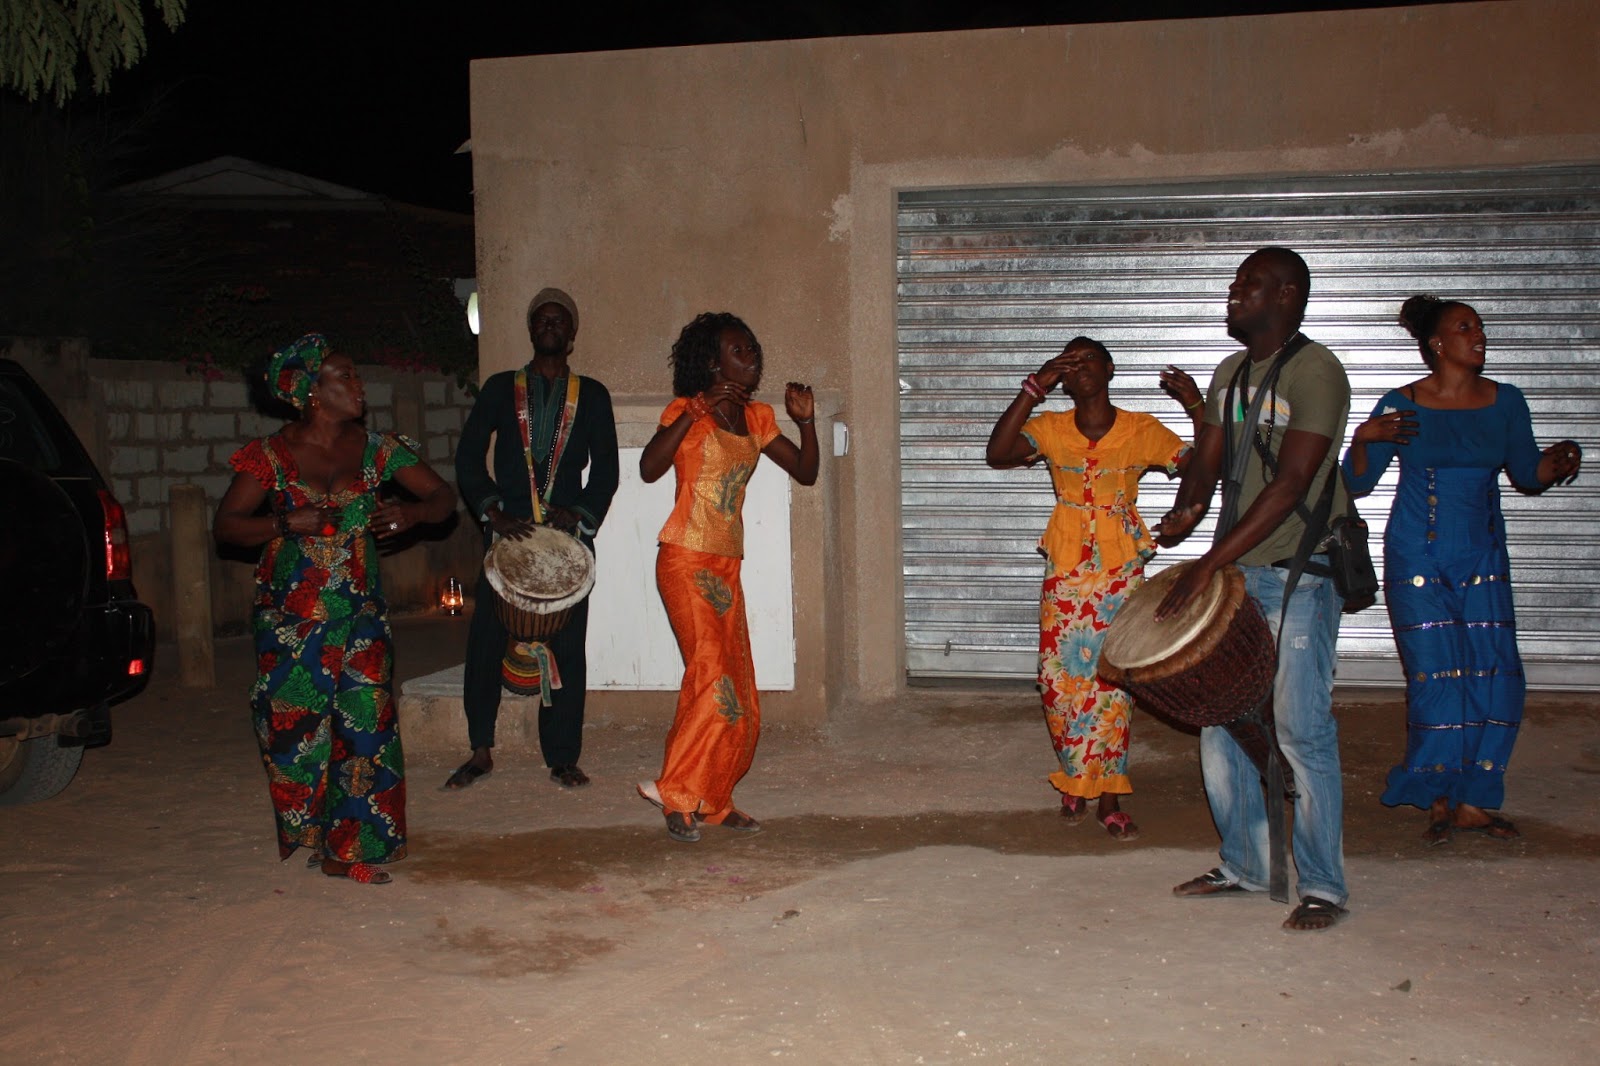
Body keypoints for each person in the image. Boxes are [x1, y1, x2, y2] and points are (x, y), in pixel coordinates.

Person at [1153, 247, 1352, 932]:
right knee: (1222, 720)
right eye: (1236, 284)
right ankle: (1242, 864)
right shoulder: (1231, 374)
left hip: (1301, 571)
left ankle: (1323, 885)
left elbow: (1293, 482)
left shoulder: (1315, 370)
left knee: (1300, 730)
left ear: (1287, 294)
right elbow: (1207, 465)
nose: (1234, 294)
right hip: (1240, 574)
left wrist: (1208, 563)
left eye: (1250, 285)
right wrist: (1184, 514)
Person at [214, 333, 457, 885]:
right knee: (300, 737)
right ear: (312, 392)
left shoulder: (375, 449)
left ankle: (351, 849)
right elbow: (226, 526)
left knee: (367, 728)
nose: (358, 386)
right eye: (345, 376)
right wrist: (283, 523)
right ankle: (319, 833)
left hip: (360, 615)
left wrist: (413, 515)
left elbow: (443, 497)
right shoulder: (271, 457)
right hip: (290, 621)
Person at [1343, 295, 1581, 845]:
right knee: (1436, 680)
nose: (1479, 335)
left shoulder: (1507, 403)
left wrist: (1560, 457)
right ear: (1437, 344)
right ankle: (1438, 794)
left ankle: (1475, 798)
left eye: (1479, 327)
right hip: (1417, 556)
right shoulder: (1401, 404)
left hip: (1482, 557)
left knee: (1499, 677)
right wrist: (1363, 439)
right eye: (1464, 327)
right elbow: (1356, 485)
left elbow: (1527, 473)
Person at [985, 336, 1201, 840]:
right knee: (1058, 680)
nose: (1080, 367)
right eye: (1071, 361)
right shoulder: (1051, 428)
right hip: (1065, 565)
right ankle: (1078, 775)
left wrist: (1186, 507)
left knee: (1111, 679)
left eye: (1089, 359)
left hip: (1119, 568)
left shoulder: (1139, 429)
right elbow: (997, 452)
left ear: (1110, 369)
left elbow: (1195, 464)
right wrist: (1035, 386)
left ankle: (1109, 792)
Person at [634, 312, 817, 842]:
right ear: (713, 361)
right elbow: (649, 468)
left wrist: (805, 420)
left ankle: (714, 799)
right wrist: (694, 413)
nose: (752, 357)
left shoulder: (758, 418)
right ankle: (675, 791)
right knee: (712, 675)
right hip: (684, 558)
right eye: (740, 350)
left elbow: (806, 472)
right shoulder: (685, 410)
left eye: (754, 348)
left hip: (725, 566)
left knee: (737, 690)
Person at [449, 287, 620, 790]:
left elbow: (606, 470)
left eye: (558, 320)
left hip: (568, 540)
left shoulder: (592, 395)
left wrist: (580, 514)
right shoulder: (502, 388)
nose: (549, 325)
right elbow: (467, 458)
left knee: (569, 646)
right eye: (541, 319)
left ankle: (563, 756)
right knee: (484, 641)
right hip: (510, 536)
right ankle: (480, 748)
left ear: (571, 334)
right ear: (532, 330)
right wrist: (492, 513)